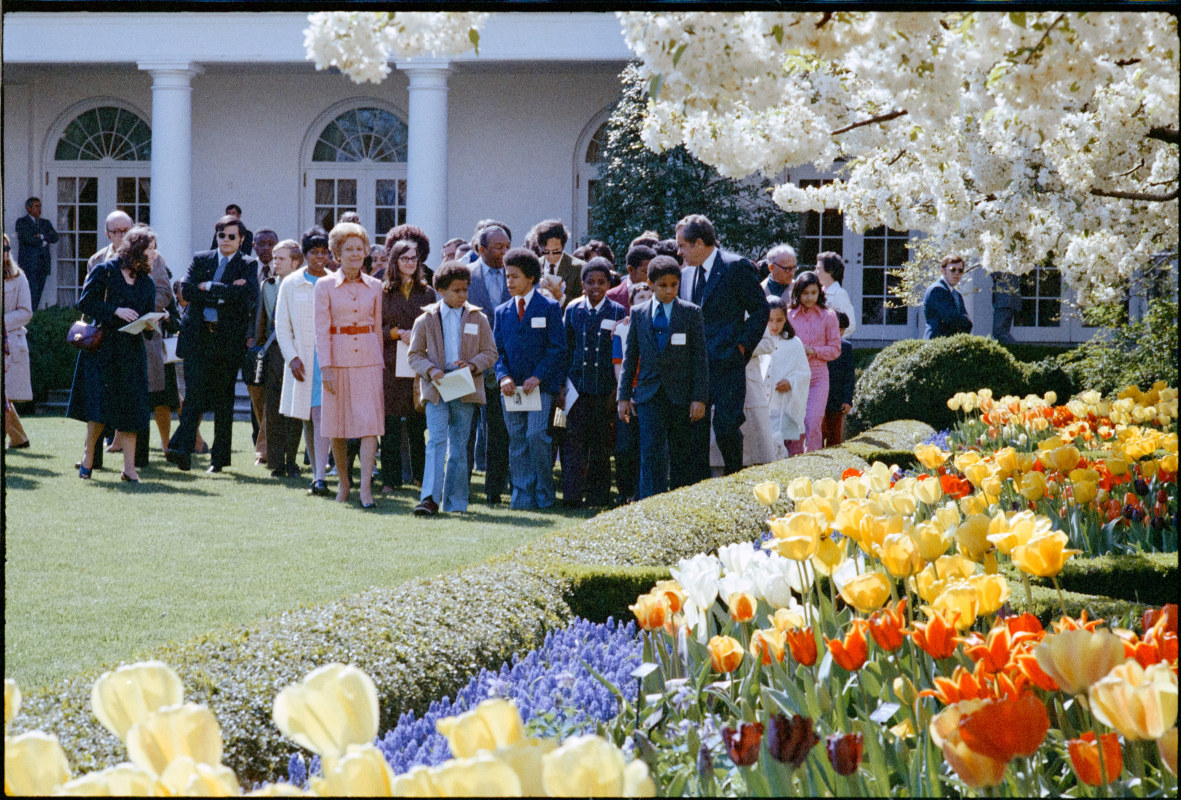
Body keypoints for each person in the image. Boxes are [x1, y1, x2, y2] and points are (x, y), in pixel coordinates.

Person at [675, 213, 769, 479]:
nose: (679, 252)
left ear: (700, 243)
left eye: (683, 246)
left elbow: (760, 309)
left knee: (727, 426)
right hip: (697, 367)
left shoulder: (735, 266)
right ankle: (697, 488)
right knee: (696, 428)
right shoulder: (687, 274)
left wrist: (742, 347)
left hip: (727, 362)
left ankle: (734, 479)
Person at [167, 214, 260, 472]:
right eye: (222, 235)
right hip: (198, 337)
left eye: (232, 236)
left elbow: (247, 294)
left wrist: (209, 287)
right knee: (194, 395)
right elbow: (186, 292)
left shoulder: (247, 264)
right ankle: (182, 450)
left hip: (226, 340)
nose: (226, 240)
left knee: (222, 400)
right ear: (216, 236)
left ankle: (219, 460)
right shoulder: (201, 259)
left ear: (241, 239)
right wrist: (224, 291)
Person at [67, 225, 157, 482]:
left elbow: (146, 322)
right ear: (137, 250)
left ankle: (129, 469)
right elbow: (84, 302)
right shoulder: (105, 271)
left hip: (131, 351)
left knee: (132, 409)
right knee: (99, 408)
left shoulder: (147, 282)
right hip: (103, 348)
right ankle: (88, 456)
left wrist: (152, 323)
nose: (154, 254)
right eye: (150, 249)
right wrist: (115, 311)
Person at [407, 261, 499, 515]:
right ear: (441, 290)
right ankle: (429, 499)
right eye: (456, 290)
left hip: (464, 386)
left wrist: (470, 365)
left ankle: (456, 502)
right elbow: (414, 355)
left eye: (465, 289)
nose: (462, 295)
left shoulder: (478, 317)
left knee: (459, 445)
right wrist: (431, 370)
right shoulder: (425, 319)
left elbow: (490, 353)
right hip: (436, 386)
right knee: (436, 441)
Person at [617, 256, 708, 500]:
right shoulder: (638, 313)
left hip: (681, 396)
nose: (669, 290)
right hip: (649, 395)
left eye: (674, 285)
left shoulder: (690, 313)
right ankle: (650, 503)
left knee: (681, 454)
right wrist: (623, 397)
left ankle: (679, 504)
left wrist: (699, 398)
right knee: (651, 452)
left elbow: (700, 359)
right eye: (662, 285)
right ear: (650, 284)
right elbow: (630, 357)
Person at [314, 222, 384, 508]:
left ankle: (365, 489)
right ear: (337, 254)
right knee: (338, 424)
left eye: (360, 249)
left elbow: (378, 328)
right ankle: (344, 483)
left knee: (370, 425)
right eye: (349, 249)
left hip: (368, 359)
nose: (355, 254)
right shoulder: (324, 285)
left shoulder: (376, 286)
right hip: (338, 359)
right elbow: (321, 329)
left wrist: (379, 363)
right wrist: (325, 367)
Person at [494, 247, 566, 510]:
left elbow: (557, 347)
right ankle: (522, 495)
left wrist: (538, 376)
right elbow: (497, 351)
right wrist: (502, 377)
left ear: (531, 278)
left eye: (514, 277)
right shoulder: (502, 311)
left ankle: (544, 493)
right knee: (517, 439)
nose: (509, 282)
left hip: (539, 387)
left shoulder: (548, 308)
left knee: (537, 435)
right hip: (511, 389)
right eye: (507, 276)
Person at [561, 258, 626, 508]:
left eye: (601, 282)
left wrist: (616, 390)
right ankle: (572, 496)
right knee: (574, 443)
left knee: (600, 444)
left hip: (604, 389)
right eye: (590, 282)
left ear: (609, 284)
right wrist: (562, 387)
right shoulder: (573, 309)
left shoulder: (617, 311)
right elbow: (566, 349)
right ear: (582, 284)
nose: (596, 287)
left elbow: (619, 352)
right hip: (576, 387)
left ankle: (598, 496)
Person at [277, 228, 333, 495]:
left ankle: (320, 475)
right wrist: (293, 358)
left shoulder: (335, 281)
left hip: (328, 359)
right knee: (309, 417)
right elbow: (282, 326)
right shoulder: (291, 283)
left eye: (324, 253)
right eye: (314, 252)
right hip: (302, 360)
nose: (319, 258)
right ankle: (317, 473)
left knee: (323, 415)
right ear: (305, 254)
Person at [380, 239, 435, 494]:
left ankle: (421, 478)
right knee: (390, 425)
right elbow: (373, 328)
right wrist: (393, 333)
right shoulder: (383, 291)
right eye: (405, 259)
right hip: (390, 365)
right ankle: (390, 480)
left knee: (417, 424)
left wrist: (415, 334)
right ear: (395, 261)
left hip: (417, 364)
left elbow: (435, 329)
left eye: (414, 259)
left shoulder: (427, 292)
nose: (410, 263)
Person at [466, 224, 512, 504]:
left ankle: (494, 490)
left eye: (507, 246)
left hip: (503, 364)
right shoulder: (466, 278)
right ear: (481, 250)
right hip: (470, 363)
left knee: (498, 431)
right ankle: (462, 486)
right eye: (498, 247)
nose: (505, 252)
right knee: (466, 430)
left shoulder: (517, 275)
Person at [257, 239, 304, 478]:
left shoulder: (304, 285)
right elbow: (262, 322)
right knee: (273, 408)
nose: (276, 262)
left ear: (295, 262)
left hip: (297, 351)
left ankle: (292, 461)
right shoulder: (268, 285)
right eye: (275, 258)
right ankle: (276, 462)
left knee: (295, 409)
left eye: (281, 258)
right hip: (273, 353)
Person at [786, 270, 841, 454]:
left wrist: (814, 351)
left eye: (813, 293)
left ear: (820, 292)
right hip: (794, 375)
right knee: (795, 421)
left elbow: (835, 349)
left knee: (813, 419)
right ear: (797, 293)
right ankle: (793, 461)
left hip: (818, 375)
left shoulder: (829, 316)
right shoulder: (788, 315)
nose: (809, 297)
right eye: (805, 293)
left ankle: (813, 459)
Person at [610, 280, 653, 504]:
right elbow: (619, 366)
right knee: (625, 447)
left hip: (650, 393)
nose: (645, 302)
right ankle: (625, 492)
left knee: (646, 447)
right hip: (629, 393)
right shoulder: (622, 328)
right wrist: (626, 394)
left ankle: (643, 494)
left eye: (648, 298)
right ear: (631, 304)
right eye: (640, 299)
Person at [764, 296, 811, 457]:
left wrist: (791, 382)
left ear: (786, 319)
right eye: (770, 320)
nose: (774, 325)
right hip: (761, 404)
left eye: (779, 320)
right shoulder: (757, 340)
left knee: (783, 447)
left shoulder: (794, 343)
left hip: (782, 404)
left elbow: (804, 373)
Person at [4, 235, 33, 449]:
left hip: (10, 341)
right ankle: (19, 438)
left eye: (6, 247)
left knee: (5, 395)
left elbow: (25, 312)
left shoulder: (17, 277)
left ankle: (19, 438)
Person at [14, 197, 58, 310]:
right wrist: (44, 242)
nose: (39, 209)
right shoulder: (22, 222)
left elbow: (55, 237)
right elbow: (28, 239)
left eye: (40, 206)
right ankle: (28, 318)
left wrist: (42, 236)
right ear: (28, 208)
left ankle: (34, 317)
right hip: (29, 265)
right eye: (36, 206)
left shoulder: (45, 223)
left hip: (43, 264)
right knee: (30, 294)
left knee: (38, 294)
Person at [822, 311, 856, 448]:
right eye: (837, 329)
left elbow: (849, 376)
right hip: (819, 396)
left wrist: (847, 400)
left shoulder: (846, 347)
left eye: (842, 329)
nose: (839, 333)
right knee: (817, 433)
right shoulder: (820, 345)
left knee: (835, 437)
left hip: (837, 398)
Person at [532, 219, 585, 307]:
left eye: (556, 252)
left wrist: (560, 296)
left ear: (563, 246)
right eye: (546, 252)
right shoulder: (534, 265)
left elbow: (583, 305)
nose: (551, 256)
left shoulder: (579, 268)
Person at [923, 254, 973, 338]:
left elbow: (967, 324)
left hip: (953, 344)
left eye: (960, 270)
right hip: (936, 343)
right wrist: (965, 320)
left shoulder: (957, 294)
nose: (957, 273)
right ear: (943, 271)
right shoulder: (937, 289)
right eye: (952, 269)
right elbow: (951, 318)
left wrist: (965, 321)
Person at [815, 251, 857, 337]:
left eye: (818, 268)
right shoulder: (817, 292)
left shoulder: (839, 294)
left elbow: (850, 324)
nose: (815, 272)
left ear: (830, 271)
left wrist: (833, 338)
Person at [606, 245, 654, 310]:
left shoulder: (660, 295)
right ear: (630, 269)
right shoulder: (610, 297)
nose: (650, 277)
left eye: (652, 272)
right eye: (645, 272)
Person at [991, 270, 1020, 344]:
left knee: (998, 332)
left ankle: (1018, 349)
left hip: (1004, 299)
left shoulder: (1002, 260)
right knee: (1003, 331)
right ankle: (1014, 350)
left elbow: (995, 274)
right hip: (1008, 299)